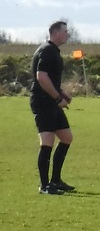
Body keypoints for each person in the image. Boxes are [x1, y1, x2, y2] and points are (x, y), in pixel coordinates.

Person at [31, 19, 75, 194]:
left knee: (66, 138)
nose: (68, 34)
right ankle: (44, 185)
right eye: (65, 31)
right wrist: (58, 98)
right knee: (47, 142)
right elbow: (41, 77)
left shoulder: (53, 51)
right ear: (55, 32)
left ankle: (55, 180)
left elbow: (49, 78)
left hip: (52, 101)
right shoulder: (47, 51)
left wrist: (61, 93)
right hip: (43, 102)